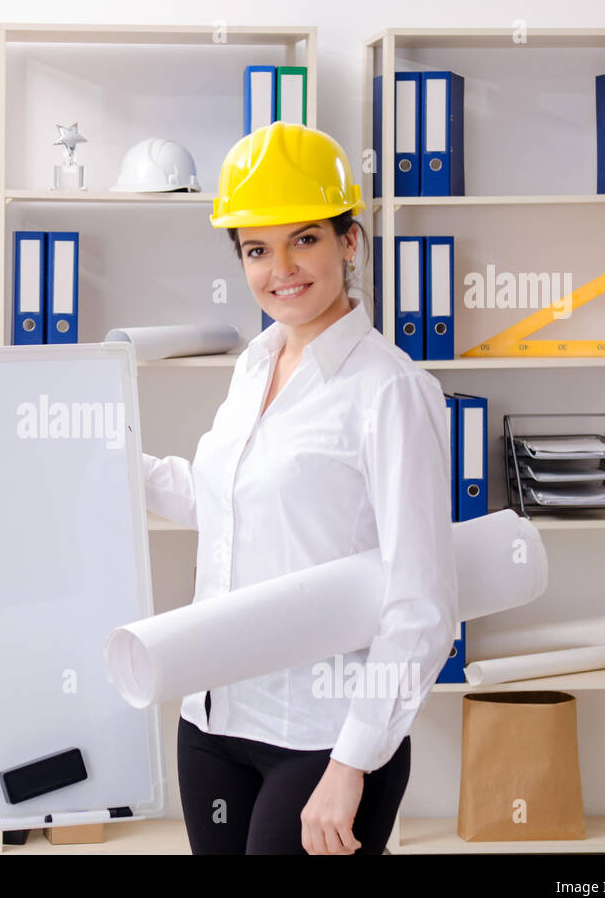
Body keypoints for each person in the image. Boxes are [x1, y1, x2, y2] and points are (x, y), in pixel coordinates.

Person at [141, 123, 457, 855]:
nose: (280, 267)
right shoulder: (254, 364)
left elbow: (423, 603)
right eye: (257, 248)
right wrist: (108, 463)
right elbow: (222, 498)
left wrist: (353, 764)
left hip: (324, 737)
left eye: (304, 239)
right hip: (214, 723)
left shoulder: (390, 391)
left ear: (349, 241)